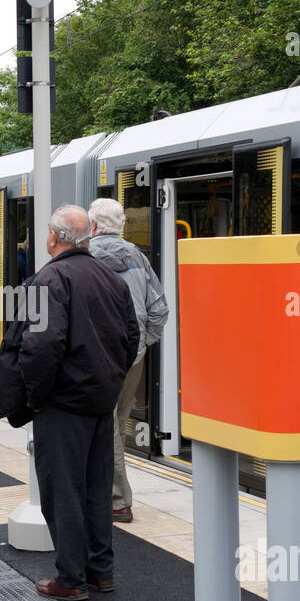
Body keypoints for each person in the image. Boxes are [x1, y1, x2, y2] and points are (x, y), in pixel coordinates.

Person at [0, 205, 138, 601]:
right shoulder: (111, 279)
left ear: (54, 238)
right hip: (99, 402)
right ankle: (101, 572)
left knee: (64, 492)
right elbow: (131, 337)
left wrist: (36, 398)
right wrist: (109, 379)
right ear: (87, 236)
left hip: (62, 405)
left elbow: (40, 347)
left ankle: (71, 578)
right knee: (96, 488)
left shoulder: (48, 280)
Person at [86, 197, 168, 524]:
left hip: (98, 357)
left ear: (93, 226)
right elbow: (159, 310)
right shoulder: (137, 257)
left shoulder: (85, 258)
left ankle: (118, 501)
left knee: (105, 426)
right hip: (133, 356)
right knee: (117, 424)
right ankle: (108, 492)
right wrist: (140, 346)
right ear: (121, 225)